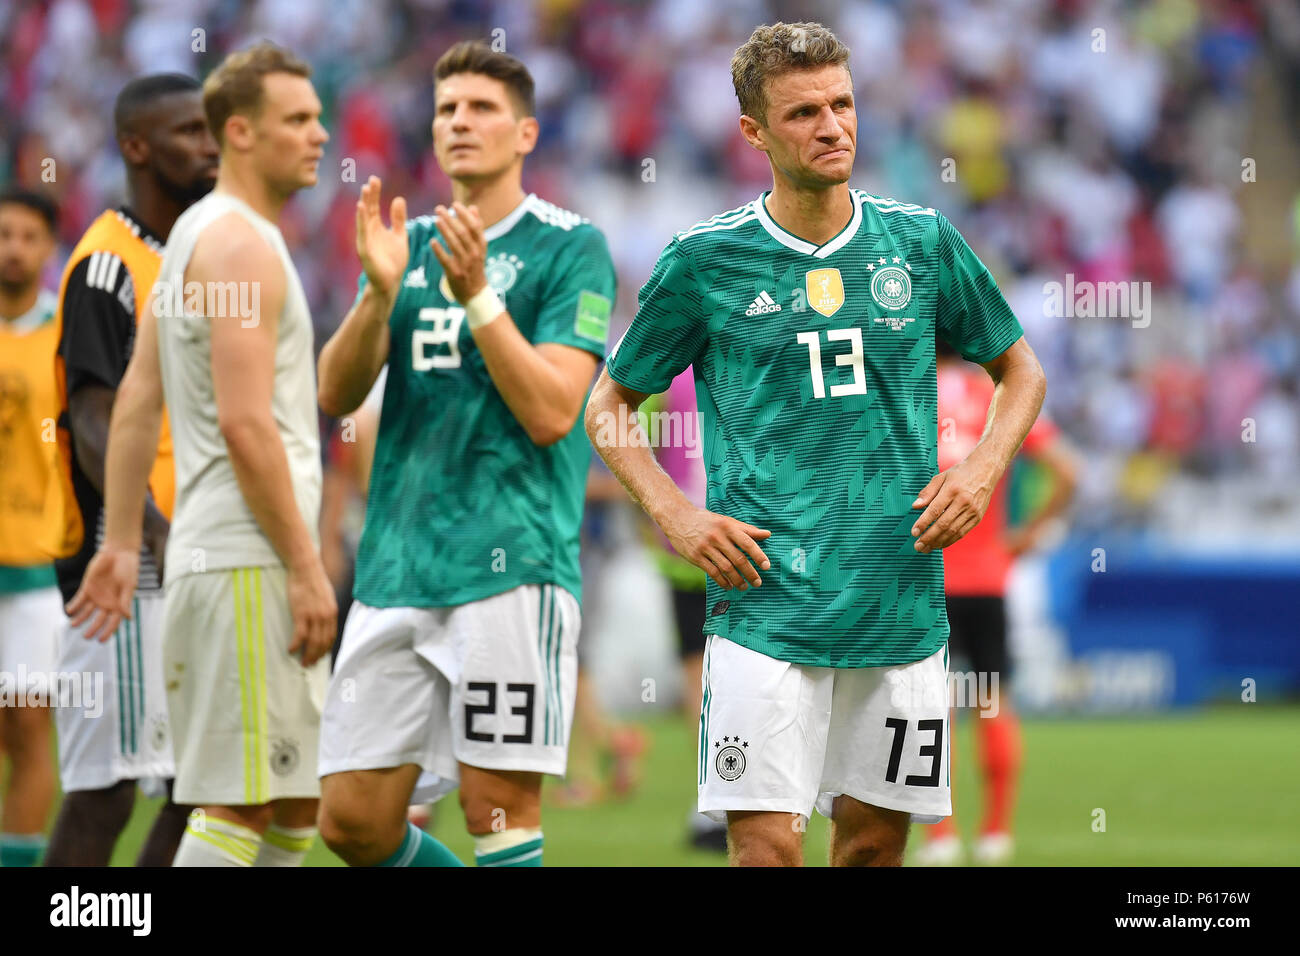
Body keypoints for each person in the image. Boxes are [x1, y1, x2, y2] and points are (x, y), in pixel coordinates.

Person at [584, 20, 1047, 867]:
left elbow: (1023, 374)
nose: (832, 126)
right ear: (753, 133)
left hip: (897, 603)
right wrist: (675, 515)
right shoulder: (705, 260)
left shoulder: (921, 243)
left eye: (842, 104)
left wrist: (981, 471)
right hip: (762, 604)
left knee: (871, 849)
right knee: (765, 849)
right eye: (803, 113)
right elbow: (607, 403)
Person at [316, 41, 615, 868]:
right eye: (447, 109)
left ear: (525, 133)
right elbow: (334, 393)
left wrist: (479, 293)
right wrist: (378, 296)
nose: (458, 122)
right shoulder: (399, 247)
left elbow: (556, 411)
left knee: (495, 812)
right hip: (396, 563)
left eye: (480, 108)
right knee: (350, 820)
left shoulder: (569, 246)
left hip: (511, 565)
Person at [67, 42, 336, 867]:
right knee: (236, 805)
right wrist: (303, 564)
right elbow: (246, 425)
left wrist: (117, 544)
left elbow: (140, 396)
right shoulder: (241, 246)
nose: (320, 135)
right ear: (242, 134)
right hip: (250, 558)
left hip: (212, 551)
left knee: (294, 796)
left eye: (319, 116)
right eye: (298, 119)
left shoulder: (189, 235)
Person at [43, 73, 219, 867]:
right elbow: (91, 414)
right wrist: (145, 529)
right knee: (108, 790)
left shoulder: (196, 252)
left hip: (192, 549)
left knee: (203, 785)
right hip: (129, 562)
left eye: (213, 129)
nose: (210, 146)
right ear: (136, 146)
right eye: (189, 132)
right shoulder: (108, 263)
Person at [915, 336, 1077, 865]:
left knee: (933, 713)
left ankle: (941, 838)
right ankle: (996, 833)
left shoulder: (904, 388)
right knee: (992, 702)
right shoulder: (995, 392)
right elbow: (1069, 471)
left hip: (925, 577)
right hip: (988, 577)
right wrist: (1031, 534)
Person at [0, 188, 61, 866]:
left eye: (26, 236)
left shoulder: (65, 334)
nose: (12, 248)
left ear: (47, 248)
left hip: (39, 567)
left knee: (26, 728)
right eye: (3, 234)